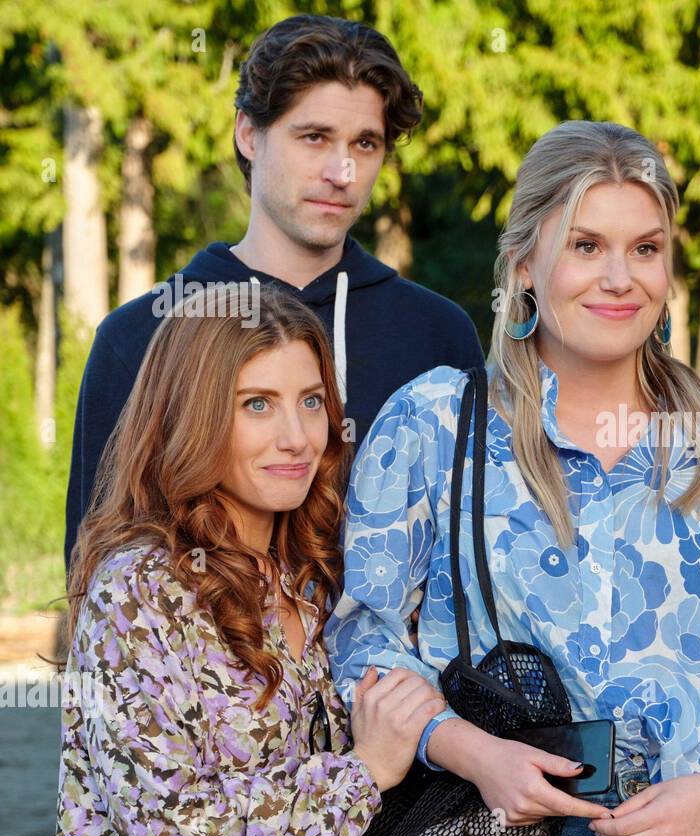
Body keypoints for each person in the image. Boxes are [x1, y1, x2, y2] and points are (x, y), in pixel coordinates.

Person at [327, 120, 700, 836]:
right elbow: (364, 642)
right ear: (521, 265)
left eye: (645, 250)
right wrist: (477, 754)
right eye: (586, 247)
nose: (621, 279)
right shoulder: (435, 424)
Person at [65, 14, 483, 573]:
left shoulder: (438, 335)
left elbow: (470, 563)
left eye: (366, 143)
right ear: (248, 133)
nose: (343, 172)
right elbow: (94, 577)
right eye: (314, 137)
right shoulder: (139, 335)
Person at [57, 286, 443, 836]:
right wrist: (364, 772)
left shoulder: (315, 573)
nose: (297, 438)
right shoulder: (139, 592)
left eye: (311, 402)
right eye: (257, 404)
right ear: (192, 417)